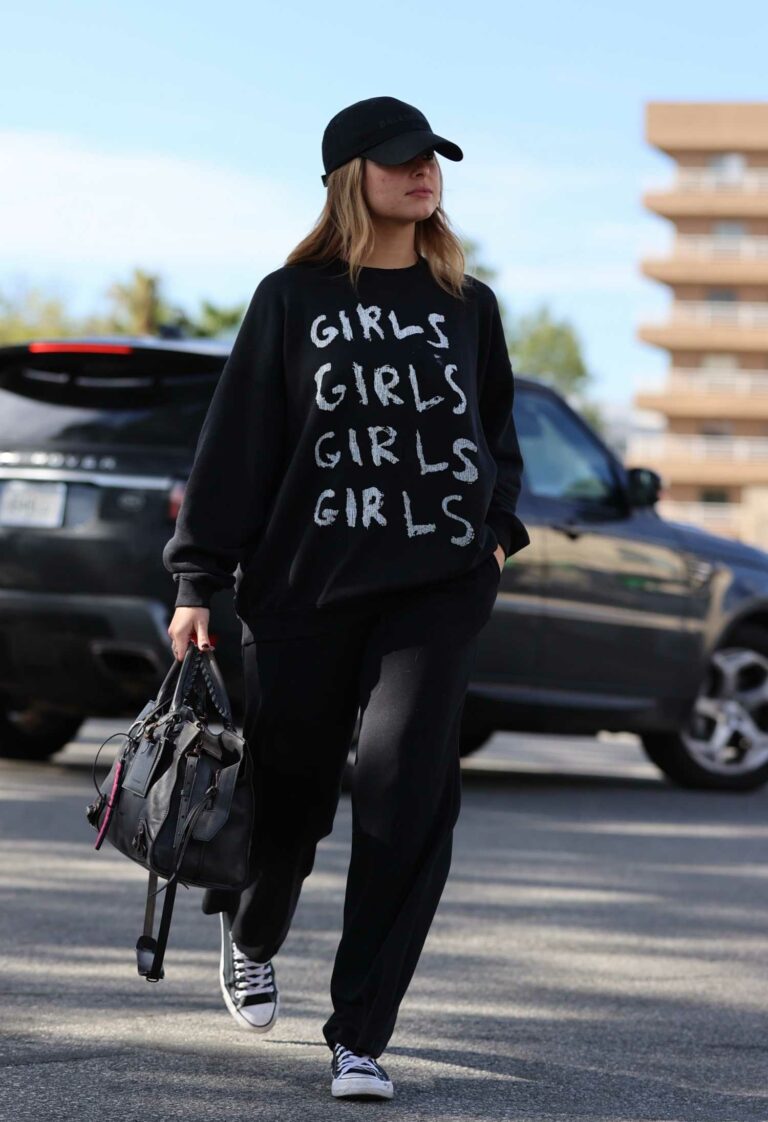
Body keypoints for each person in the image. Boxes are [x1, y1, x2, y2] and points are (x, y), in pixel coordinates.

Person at [163, 94, 530, 1101]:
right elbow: (239, 442)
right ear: (349, 178)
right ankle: (254, 930)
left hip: (437, 589)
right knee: (290, 804)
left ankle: (361, 1034)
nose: (424, 173)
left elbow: (497, 438)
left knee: (406, 789)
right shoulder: (292, 299)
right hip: (306, 589)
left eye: (432, 158)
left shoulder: (469, 306)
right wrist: (199, 576)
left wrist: (495, 535)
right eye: (402, 158)